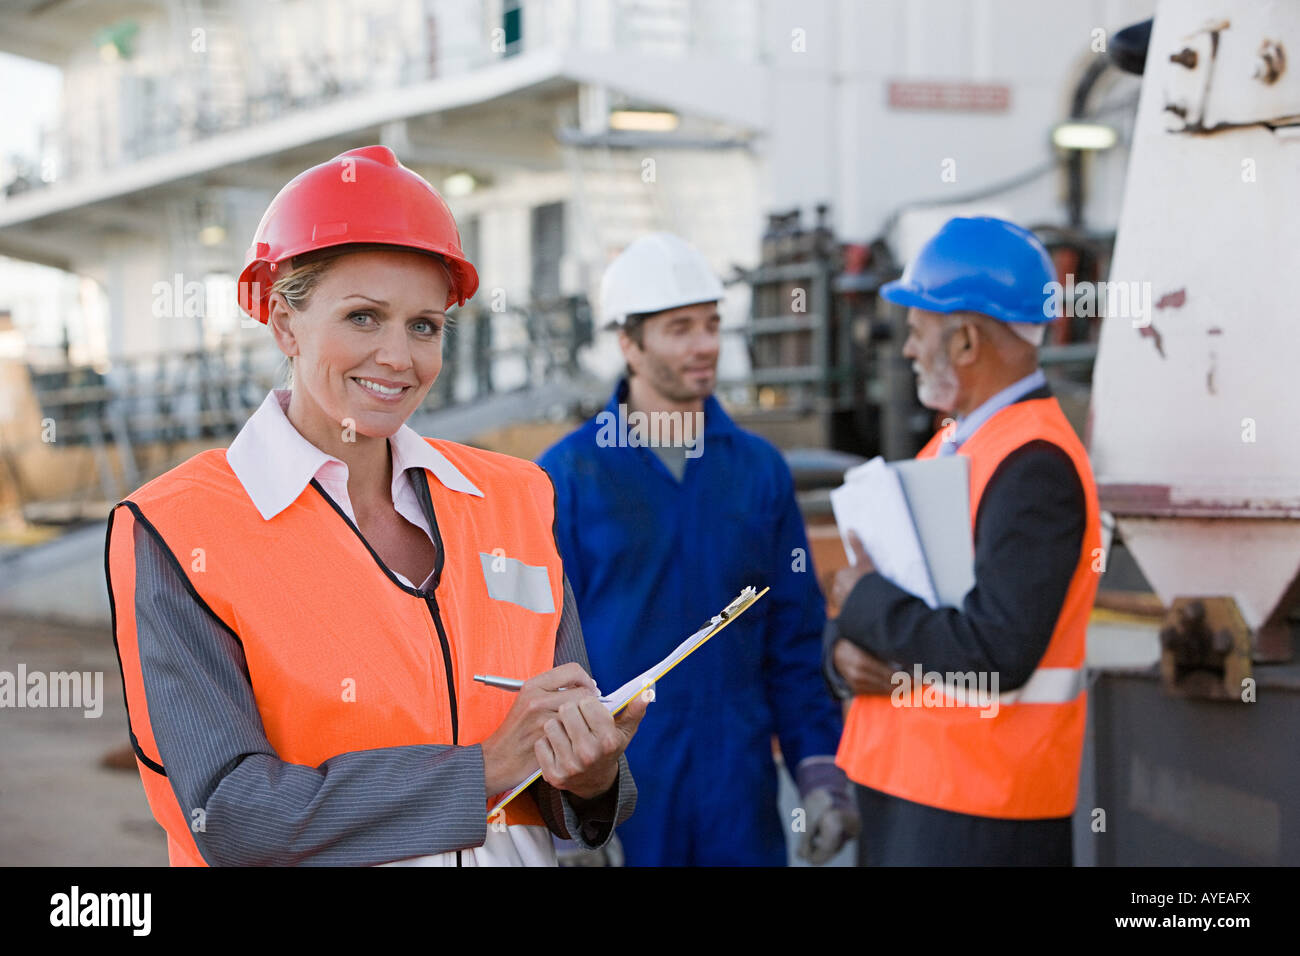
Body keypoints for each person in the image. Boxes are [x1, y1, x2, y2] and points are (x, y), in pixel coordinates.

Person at [104, 145, 644, 866]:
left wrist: (592, 771)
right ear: (284, 325)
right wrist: (482, 769)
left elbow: (569, 785)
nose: (399, 357)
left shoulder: (512, 499)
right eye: (364, 317)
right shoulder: (180, 530)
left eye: (425, 325)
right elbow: (229, 812)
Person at [538, 232, 857, 866]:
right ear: (629, 342)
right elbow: (537, 655)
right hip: (622, 796)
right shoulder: (565, 478)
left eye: (712, 325)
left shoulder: (759, 472)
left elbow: (793, 641)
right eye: (681, 328)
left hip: (737, 795)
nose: (706, 344)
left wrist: (820, 771)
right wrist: (561, 814)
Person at [826, 216, 1101, 866]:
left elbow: (996, 650)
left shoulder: (1034, 465)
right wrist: (842, 654)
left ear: (968, 341)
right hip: (927, 794)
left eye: (918, 332)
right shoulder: (962, 444)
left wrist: (861, 606)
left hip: (980, 814)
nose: (908, 351)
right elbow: (907, 603)